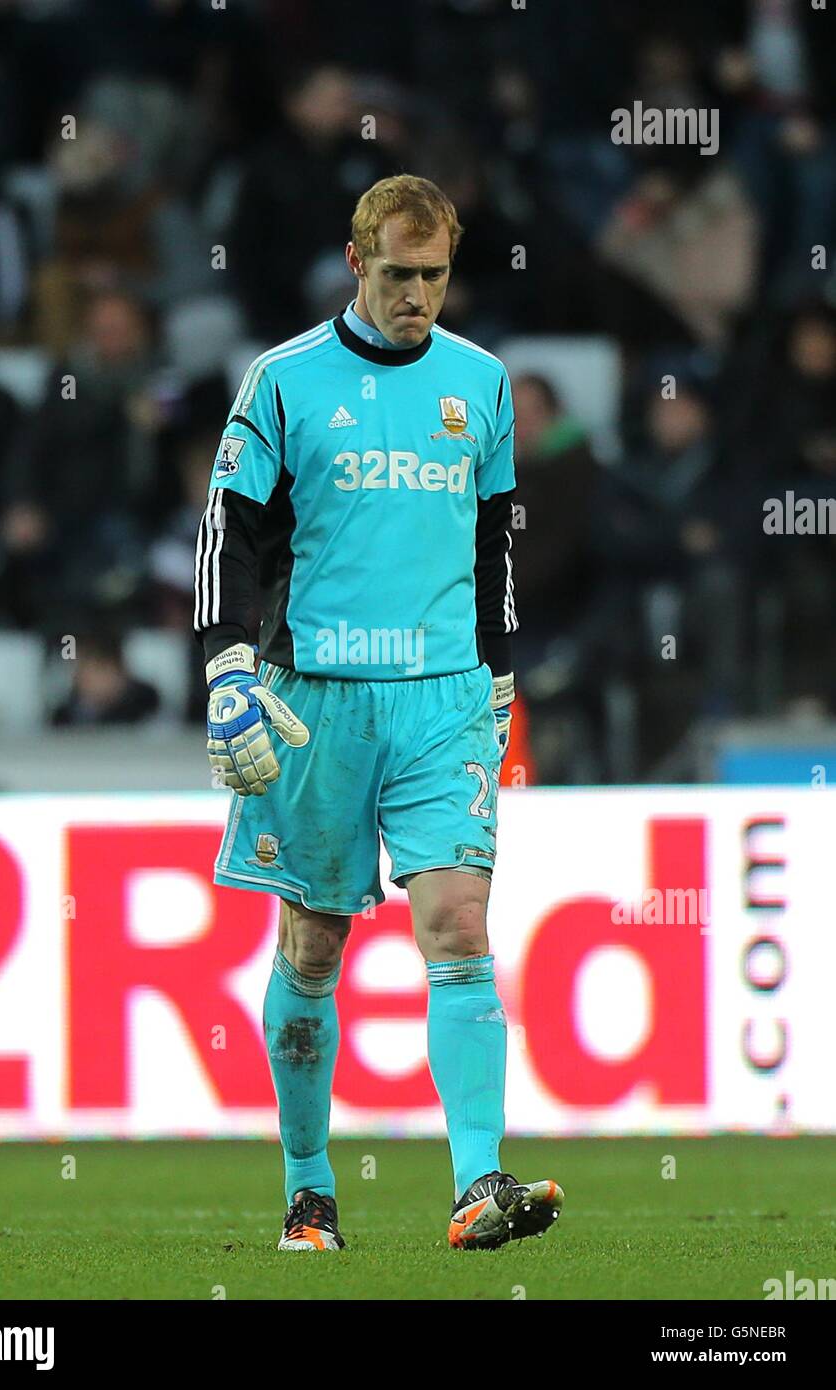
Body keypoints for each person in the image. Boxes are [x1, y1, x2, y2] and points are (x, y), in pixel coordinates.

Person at [193, 174, 563, 1253]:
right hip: (316, 703)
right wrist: (226, 670)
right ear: (356, 264)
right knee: (312, 944)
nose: (416, 296)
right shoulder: (284, 381)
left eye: (434, 276)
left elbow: (495, 544)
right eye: (397, 275)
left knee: (457, 922)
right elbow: (233, 533)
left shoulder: (482, 385)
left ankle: (477, 1183)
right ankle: (311, 1190)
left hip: (444, 697)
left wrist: (500, 678)